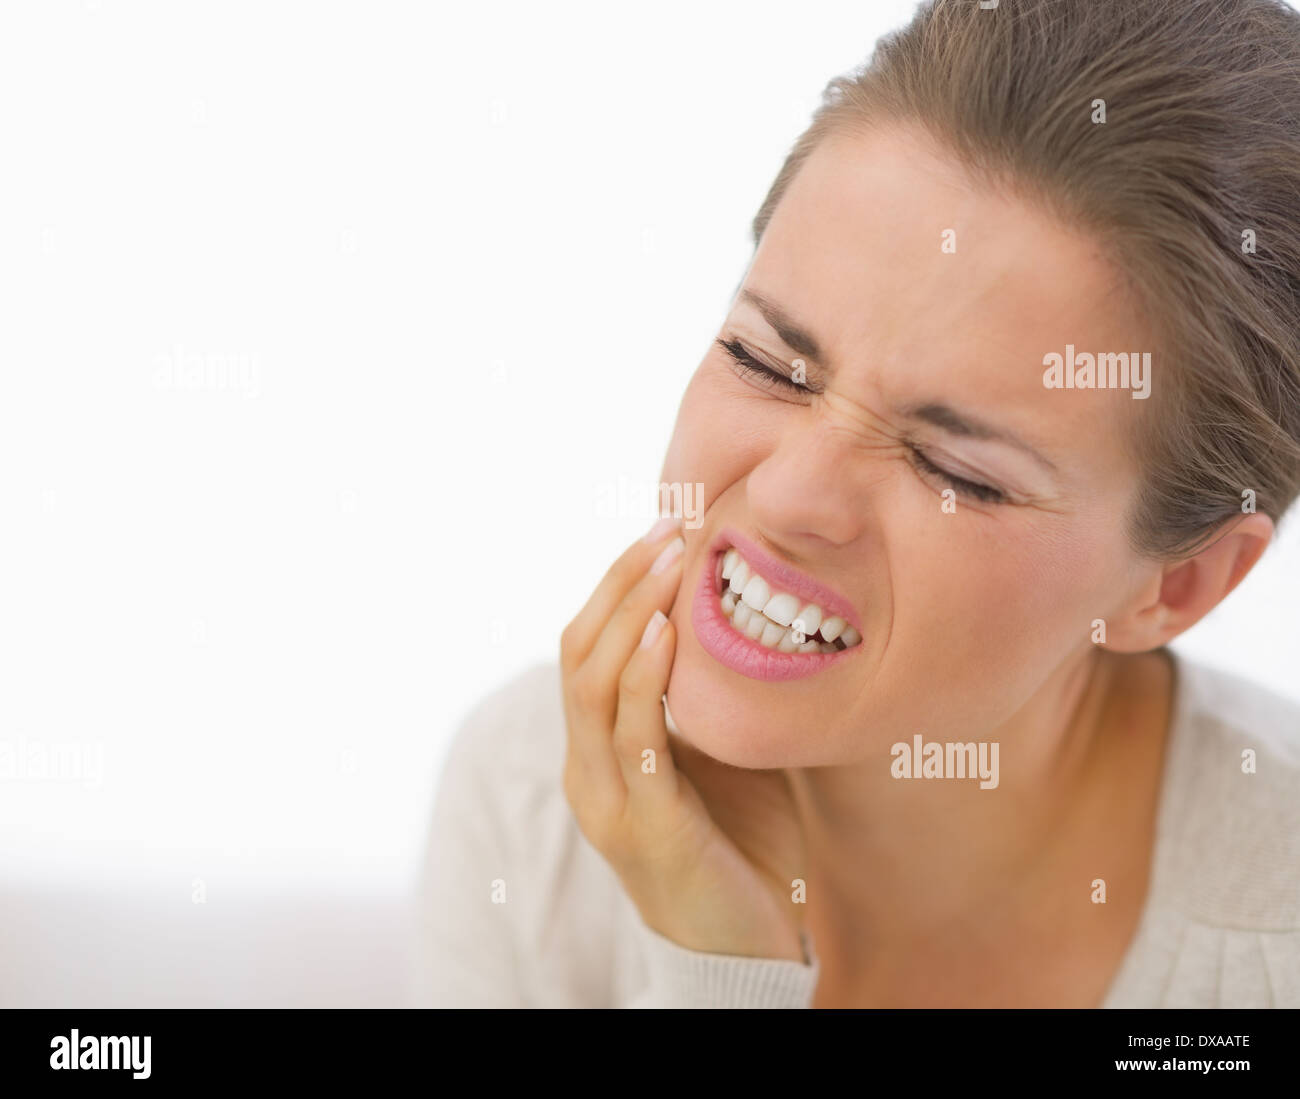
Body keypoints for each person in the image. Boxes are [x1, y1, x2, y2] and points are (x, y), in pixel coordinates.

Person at [414, 0, 1300, 1007]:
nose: (789, 494)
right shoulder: (530, 805)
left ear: (1176, 583)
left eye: (953, 470)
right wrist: (721, 969)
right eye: (765, 360)